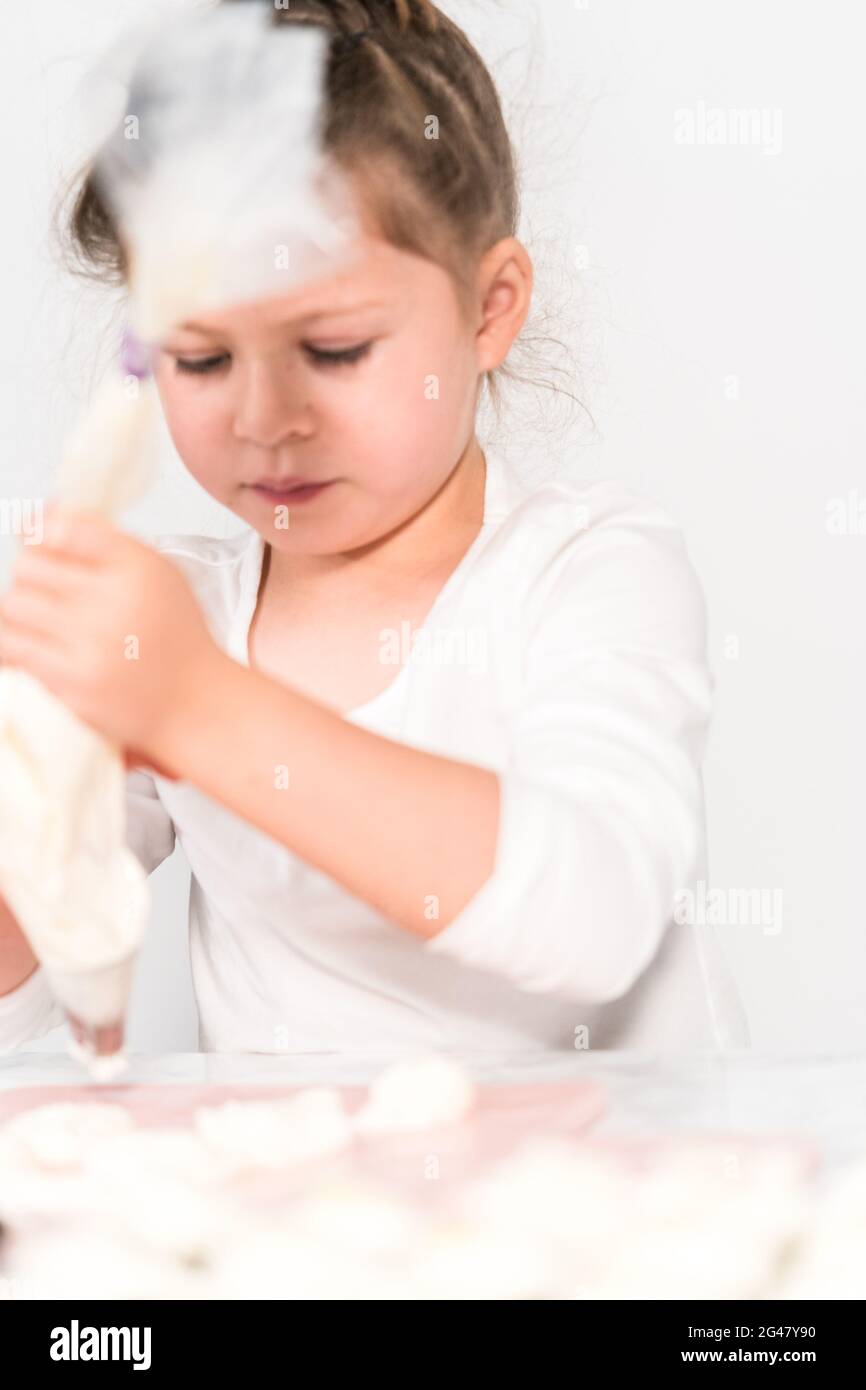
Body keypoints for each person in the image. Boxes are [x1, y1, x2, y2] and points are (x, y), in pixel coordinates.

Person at [0, 0, 749, 1055]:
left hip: (622, 1203)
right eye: (203, 359)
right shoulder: (179, 618)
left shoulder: (588, 570)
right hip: (323, 1211)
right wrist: (36, 767)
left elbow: (590, 916)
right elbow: (31, 990)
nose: (266, 419)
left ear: (488, 310)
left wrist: (194, 704)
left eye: (335, 348)